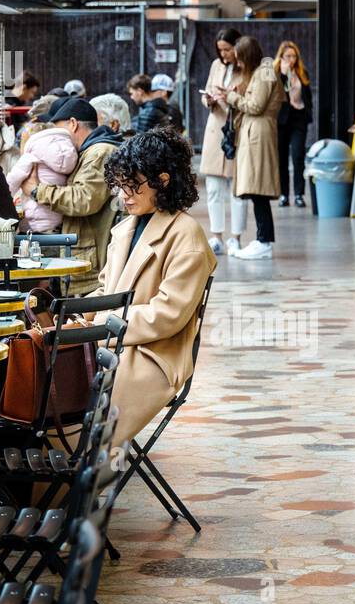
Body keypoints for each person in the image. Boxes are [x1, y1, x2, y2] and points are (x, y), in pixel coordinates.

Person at [94, 128, 216, 446]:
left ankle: (71, 479)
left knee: (64, 391)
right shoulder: (125, 229)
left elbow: (167, 314)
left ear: (162, 180)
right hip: (115, 341)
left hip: (154, 355)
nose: (124, 195)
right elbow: (104, 288)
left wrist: (96, 325)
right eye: (121, 186)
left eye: (133, 186)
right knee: (43, 365)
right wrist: (75, 314)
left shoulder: (187, 235)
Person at [19, 96, 120, 294]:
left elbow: (84, 199)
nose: (54, 139)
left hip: (92, 262)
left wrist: (36, 190)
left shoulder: (99, 152)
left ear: (73, 124)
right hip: (86, 254)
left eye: (57, 131)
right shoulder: (89, 152)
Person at [213, 35, 283, 260]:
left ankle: (264, 241)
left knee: (258, 188)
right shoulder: (261, 72)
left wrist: (231, 96)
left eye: (240, 59)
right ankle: (262, 239)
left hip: (258, 134)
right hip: (255, 132)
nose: (238, 64)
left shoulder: (264, 72)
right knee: (255, 189)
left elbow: (256, 105)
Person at [199, 27, 248, 256]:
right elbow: (206, 90)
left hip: (236, 129)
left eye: (227, 49)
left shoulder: (247, 68)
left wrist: (228, 96)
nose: (224, 54)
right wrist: (208, 98)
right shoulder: (216, 65)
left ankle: (236, 237)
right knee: (214, 187)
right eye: (220, 50)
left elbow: (249, 100)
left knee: (237, 188)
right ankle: (216, 236)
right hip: (215, 128)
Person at [7, 123, 78, 232]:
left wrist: (5, 194)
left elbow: (13, 179)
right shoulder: (71, 157)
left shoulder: (31, 156)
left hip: (35, 217)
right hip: (58, 215)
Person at [274, 40, 312, 207]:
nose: (291, 59)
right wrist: (283, 75)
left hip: (298, 118)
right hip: (281, 120)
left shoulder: (302, 73)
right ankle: (283, 194)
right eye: (288, 56)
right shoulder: (275, 74)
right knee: (282, 158)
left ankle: (298, 194)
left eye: (294, 56)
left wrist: (308, 114)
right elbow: (278, 94)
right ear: (281, 57)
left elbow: (307, 96)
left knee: (298, 156)